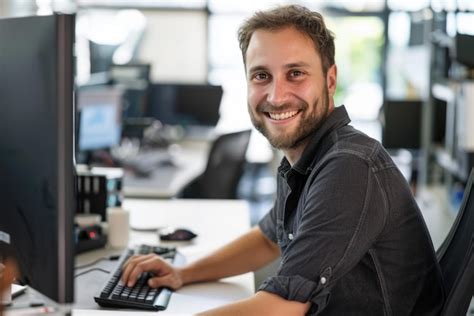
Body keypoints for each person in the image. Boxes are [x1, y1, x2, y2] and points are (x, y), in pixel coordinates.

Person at [122, 5, 445, 315]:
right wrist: (183, 273)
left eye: (296, 73)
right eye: (261, 75)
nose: (276, 97)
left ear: (330, 80)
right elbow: (266, 240)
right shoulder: (306, 157)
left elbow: (281, 307)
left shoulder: (350, 166)